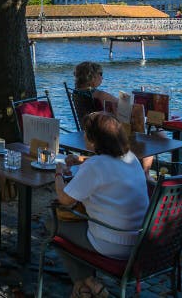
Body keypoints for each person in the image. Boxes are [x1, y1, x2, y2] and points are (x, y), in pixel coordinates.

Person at [51, 112, 149, 297]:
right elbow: (105, 163)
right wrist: (81, 159)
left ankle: (86, 283)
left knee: (52, 224)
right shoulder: (131, 158)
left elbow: (65, 199)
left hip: (111, 243)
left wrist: (58, 173)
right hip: (139, 242)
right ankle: (85, 285)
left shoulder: (96, 166)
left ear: (93, 138)